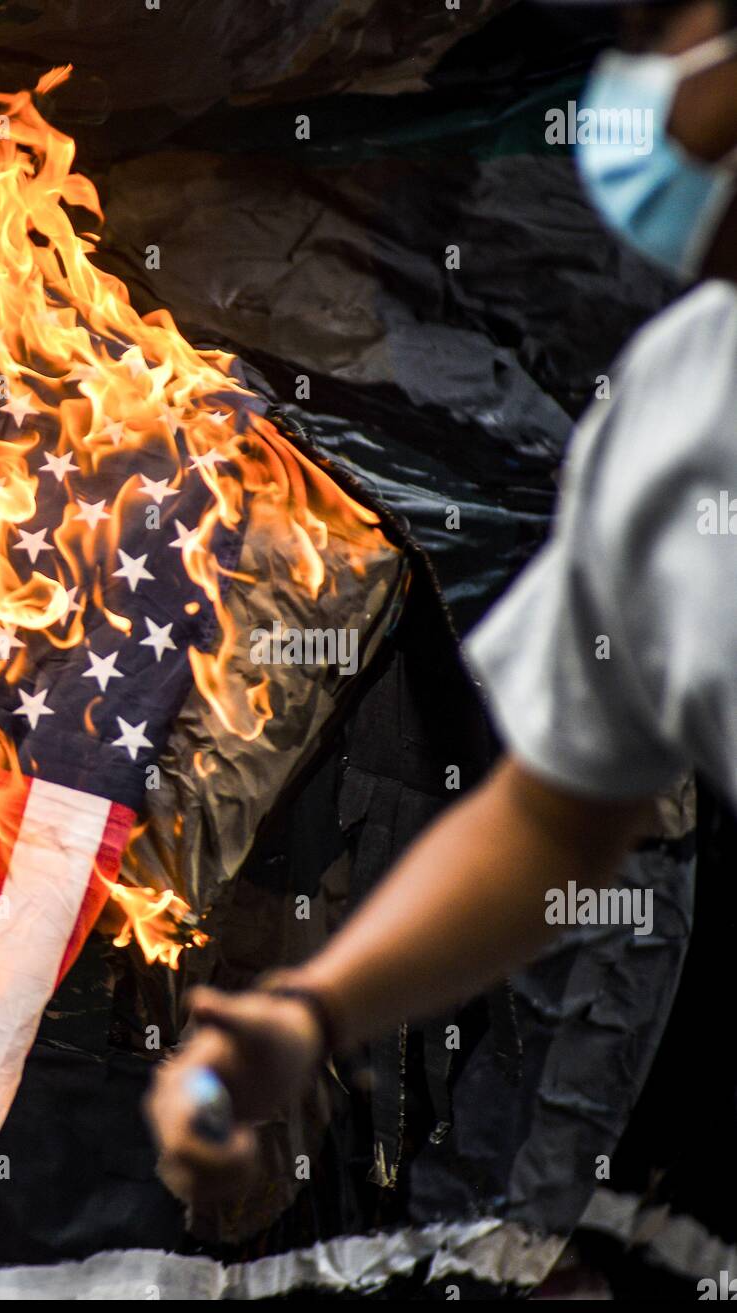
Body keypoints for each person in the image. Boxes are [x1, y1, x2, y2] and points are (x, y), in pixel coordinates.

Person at [148, 0, 737, 1204]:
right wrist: (311, 1015)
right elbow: (559, 818)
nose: (634, 70)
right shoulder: (683, 416)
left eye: (678, 20)